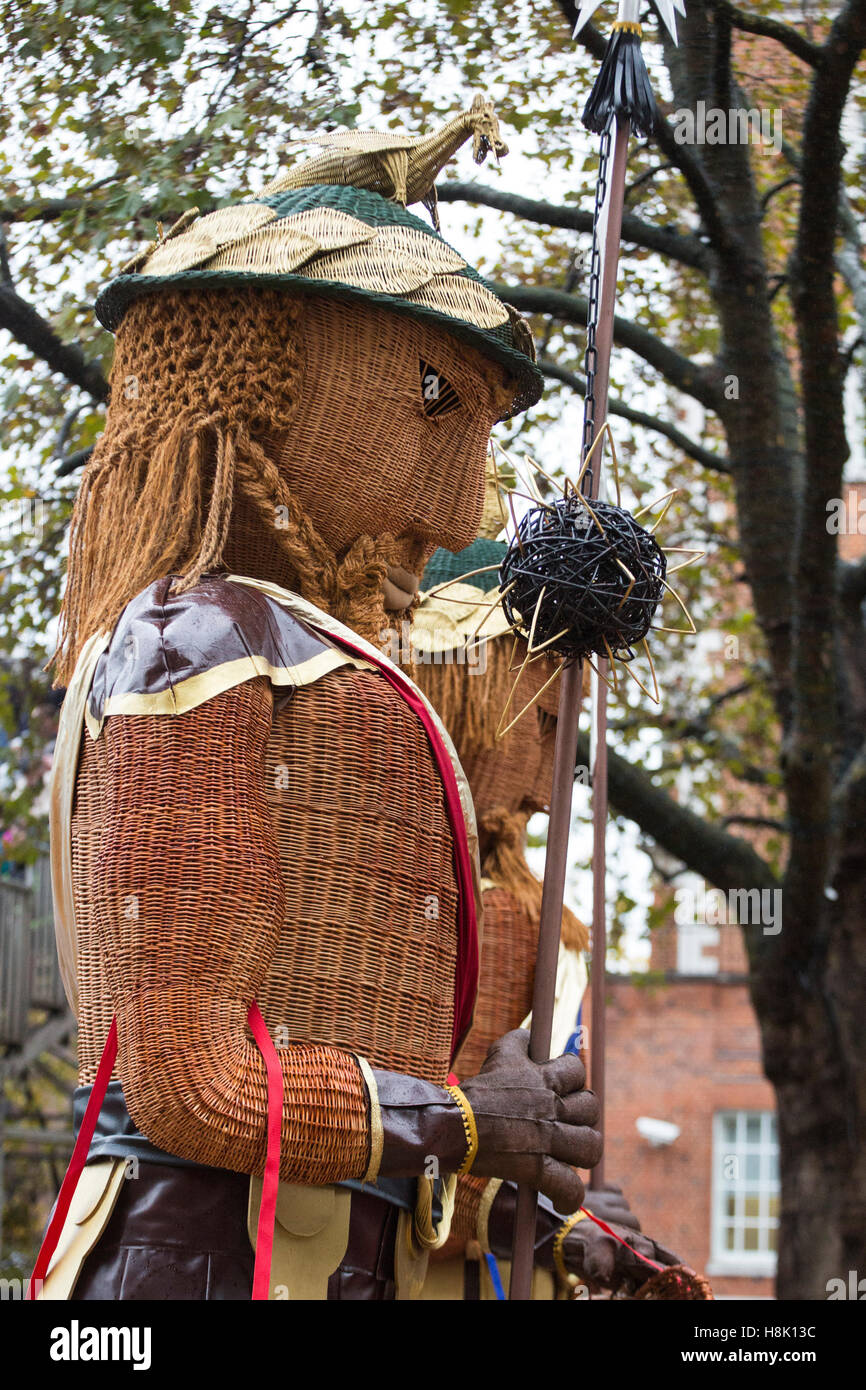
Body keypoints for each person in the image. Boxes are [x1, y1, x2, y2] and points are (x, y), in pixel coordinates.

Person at [37, 101, 602, 1301]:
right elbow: (186, 1079)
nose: (461, 507)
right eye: (436, 400)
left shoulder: (299, 653)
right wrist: (459, 1113)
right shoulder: (196, 645)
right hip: (201, 1268)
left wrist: (543, 1211)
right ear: (272, 367)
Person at [412, 539, 681, 1298]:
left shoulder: (532, 915)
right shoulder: (411, 899)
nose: (546, 784)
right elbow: (378, 1153)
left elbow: (468, 1158)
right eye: (541, 726)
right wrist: (548, 1219)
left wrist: (563, 1223)